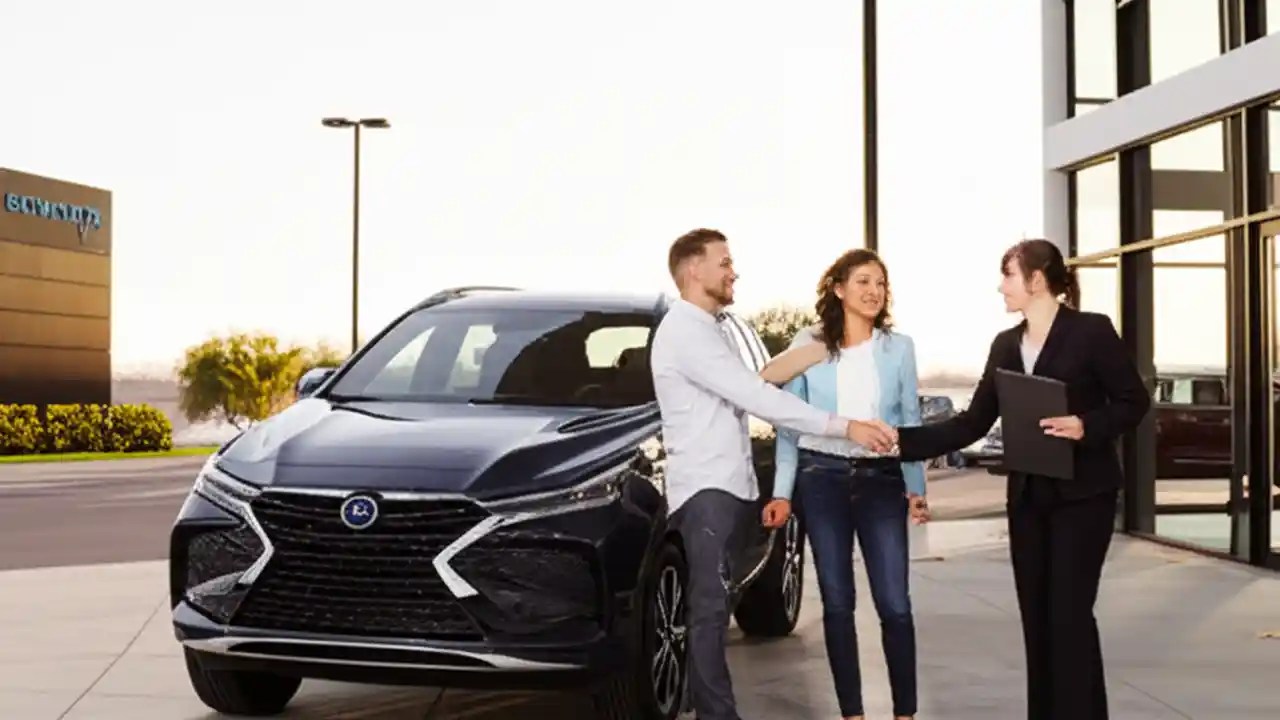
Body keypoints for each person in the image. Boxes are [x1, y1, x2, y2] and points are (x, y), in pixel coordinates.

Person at [893, 239, 1149, 719]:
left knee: (1069, 616)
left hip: (1084, 496)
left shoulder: (1091, 332)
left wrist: (1086, 425)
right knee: (1037, 618)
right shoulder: (1006, 345)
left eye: (1008, 275)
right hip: (1029, 499)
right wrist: (898, 442)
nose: (1001, 286)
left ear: (1037, 280)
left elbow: (1134, 401)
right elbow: (972, 422)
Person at [649, 228, 897, 720]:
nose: (733, 271)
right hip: (706, 491)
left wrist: (810, 353)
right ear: (694, 269)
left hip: (729, 487)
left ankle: (708, 704)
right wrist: (845, 426)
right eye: (724, 262)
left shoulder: (712, 328)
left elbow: (750, 383)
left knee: (715, 610)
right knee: (708, 612)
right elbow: (756, 395)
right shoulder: (685, 332)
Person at [764, 248, 927, 720]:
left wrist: (916, 487)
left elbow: (909, 420)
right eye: (863, 282)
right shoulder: (810, 343)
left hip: (881, 480)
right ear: (838, 289)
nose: (874, 291)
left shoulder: (899, 347)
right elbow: (789, 422)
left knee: (895, 605)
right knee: (837, 604)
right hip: (822, 479)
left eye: (880, 282)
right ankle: (852, 714)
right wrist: (782, 492)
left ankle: (905, 714)